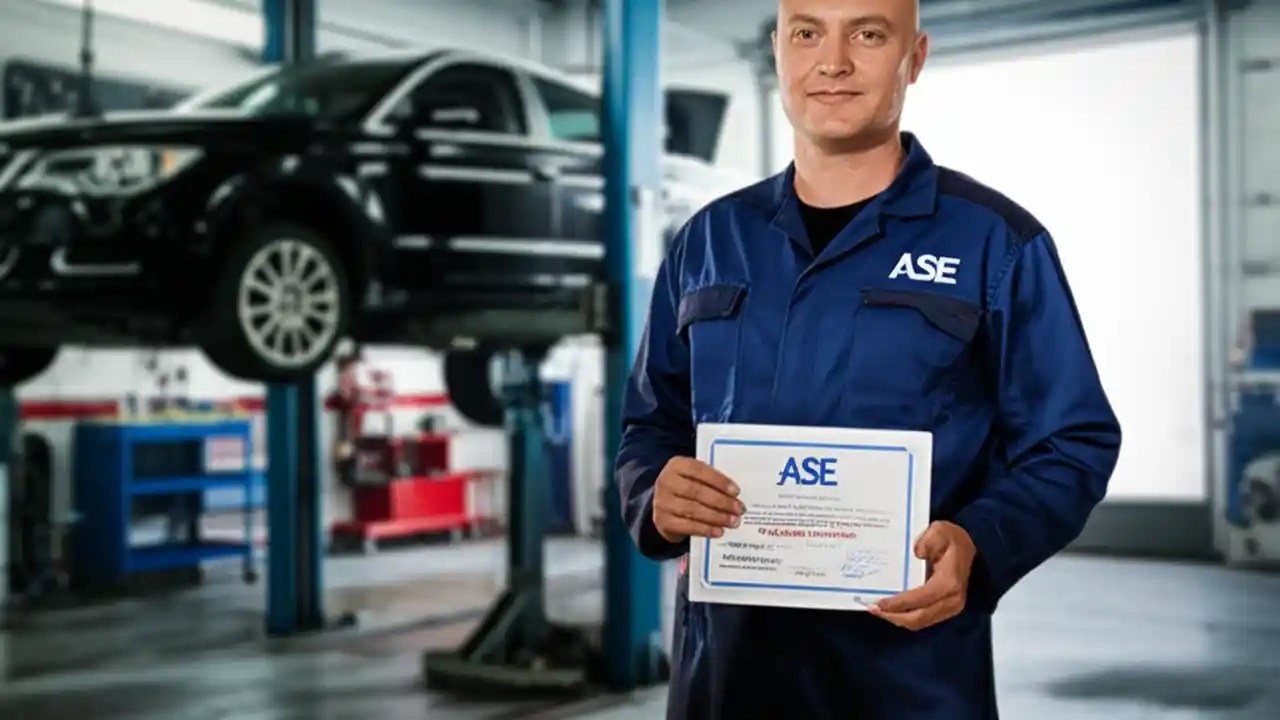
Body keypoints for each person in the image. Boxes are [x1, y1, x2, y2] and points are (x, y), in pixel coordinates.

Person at [614, 0, 1123, 717]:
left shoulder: (994, 244)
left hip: (907, 678)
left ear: (914, 58)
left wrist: (980, 541)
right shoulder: (707, 241)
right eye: (807, 32)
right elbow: (650, 425)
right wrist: (654, 495)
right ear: (780, 51)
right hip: (727, 676)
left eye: (869, 34)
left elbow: (1072, 441)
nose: (834, 61)